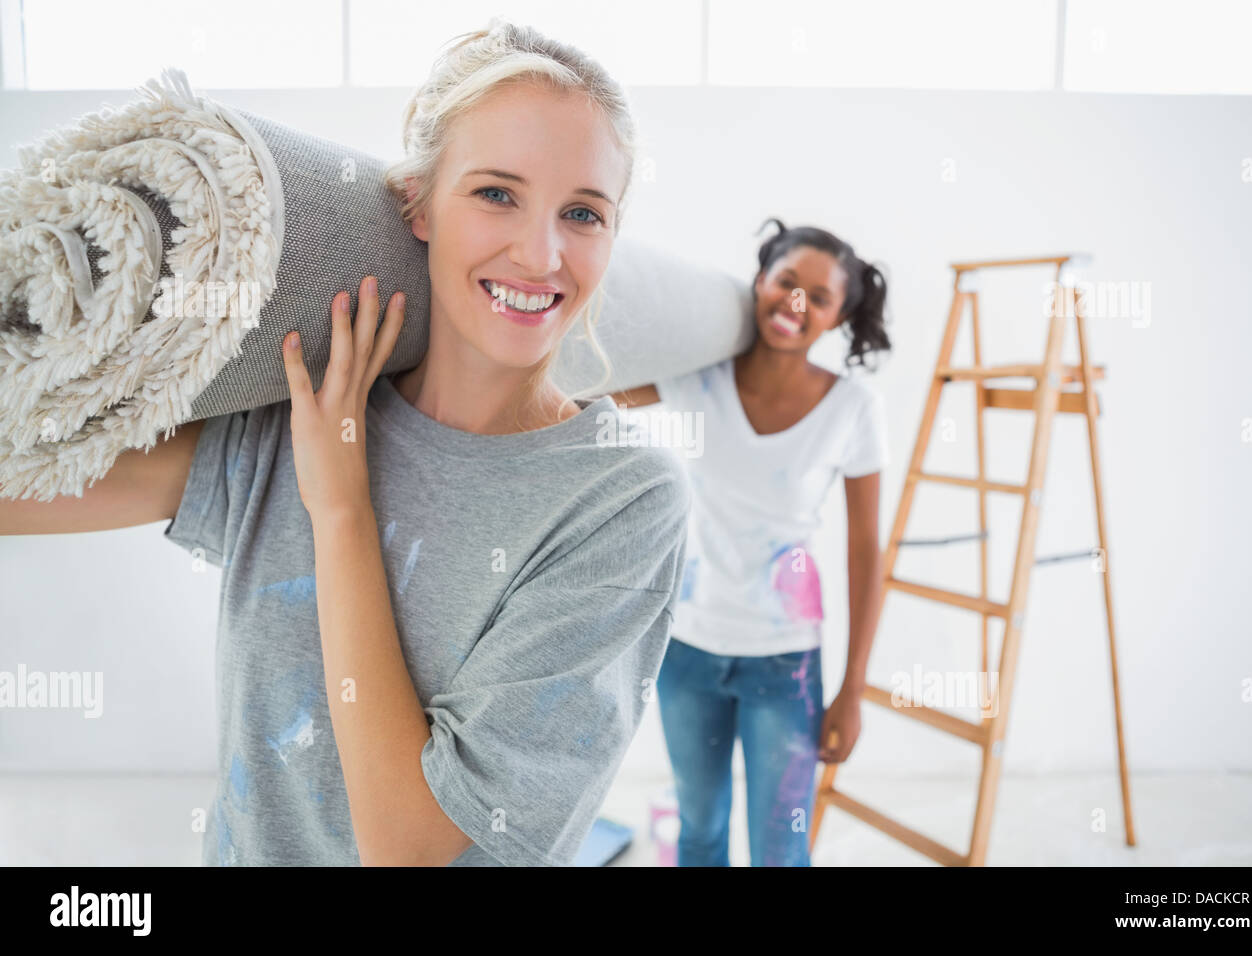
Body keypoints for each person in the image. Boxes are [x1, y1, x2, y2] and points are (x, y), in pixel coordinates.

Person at [0, 18, 690, 867]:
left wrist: (341, 508)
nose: (541, 254)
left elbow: (409, 847)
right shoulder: (309, 409)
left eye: (582, 213)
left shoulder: (623, 499)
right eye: (496, 194)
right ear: (417, 203)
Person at [610, 218, 892, 865]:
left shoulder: (853, 409)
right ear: (759, 280)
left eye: (818, 297)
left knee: (780, 849)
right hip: (687, 652)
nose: (796, 303)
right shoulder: (695, 378)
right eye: (785, 281)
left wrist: (852, 690)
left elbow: (865, 552)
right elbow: (582, 391)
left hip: (785, 664)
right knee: (700, 830)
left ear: (838, 316)